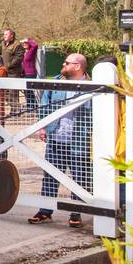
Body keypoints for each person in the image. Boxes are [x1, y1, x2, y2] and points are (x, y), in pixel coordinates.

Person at [30, 53, 92, 228]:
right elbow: (45, 104)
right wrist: (43, 126)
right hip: (56, 136)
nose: (63, 65)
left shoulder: (91, 86)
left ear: (77, 66)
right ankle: (45, 211)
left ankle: (75, 213)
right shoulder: (56, 82)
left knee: (79, 177)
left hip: (78, 139)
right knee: (50, 175)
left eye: (67, 63)